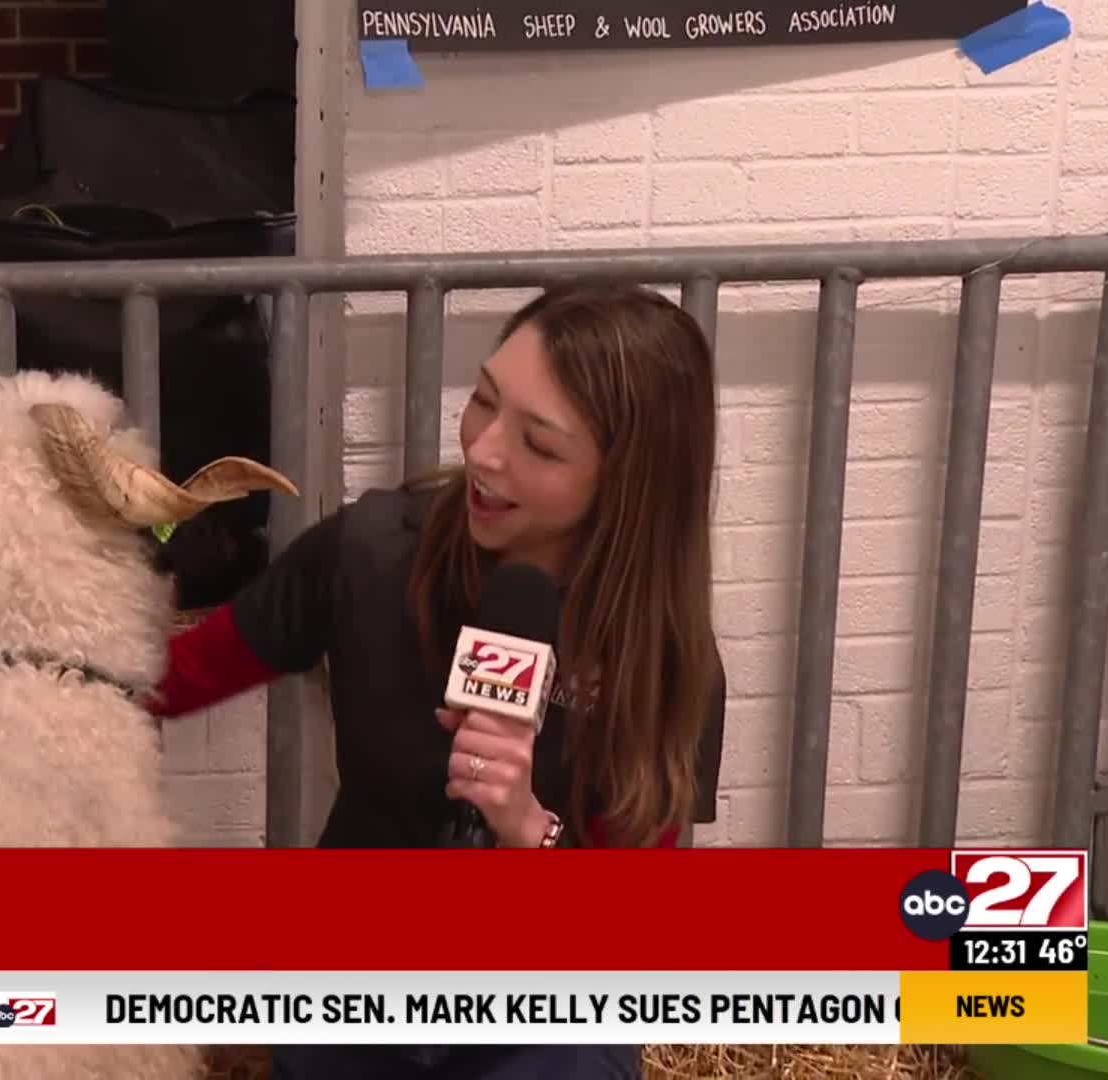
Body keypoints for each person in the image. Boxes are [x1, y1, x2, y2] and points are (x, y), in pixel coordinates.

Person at [146, 283, 729, 1079]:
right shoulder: (370, 551)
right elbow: (170, 678)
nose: (484, 451)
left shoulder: (662, 663)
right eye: (484, 400)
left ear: (625, 480)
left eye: (540, 444)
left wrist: (530, 833)